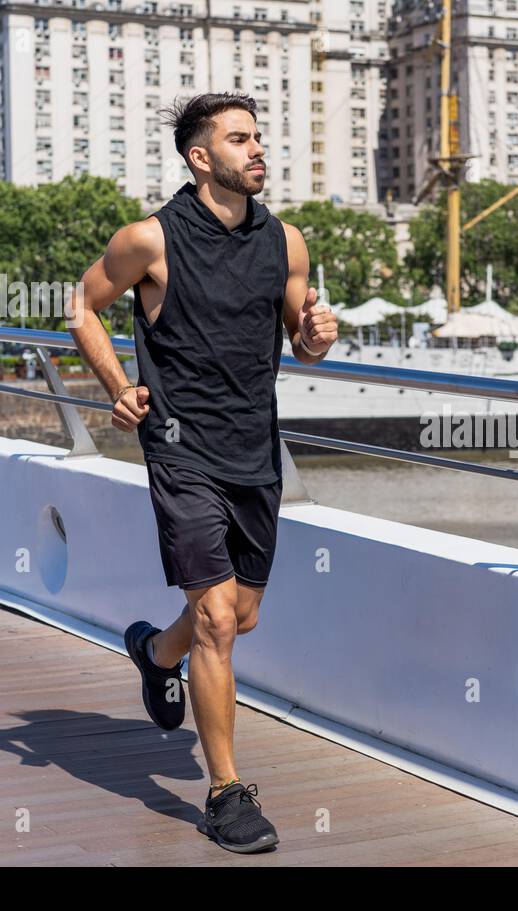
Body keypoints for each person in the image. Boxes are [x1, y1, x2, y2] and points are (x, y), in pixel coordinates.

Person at [66, 92, 338, 853]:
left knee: (239, 614)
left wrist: (316, 335)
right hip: (180, 448)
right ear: (199, 156)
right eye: (239, 139)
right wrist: (120, 390)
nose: (257, 150)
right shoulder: (149, 240)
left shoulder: (286, 242)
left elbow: (301, 343)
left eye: (259, 137)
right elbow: (81, 305)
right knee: (218, 619)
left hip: (257, 451)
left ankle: (156, 654)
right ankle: (226, 793)